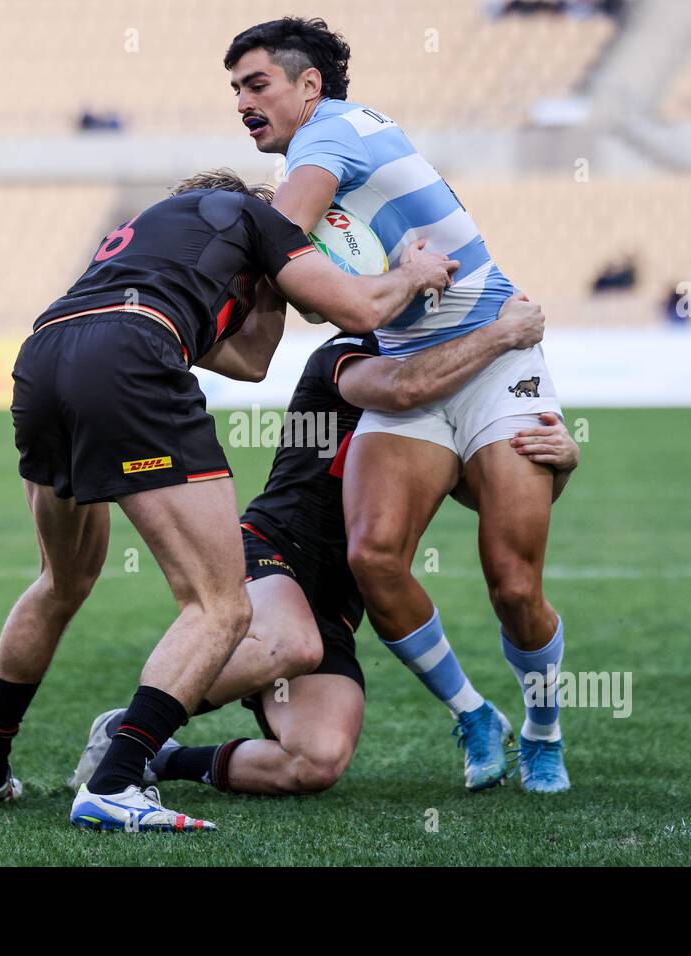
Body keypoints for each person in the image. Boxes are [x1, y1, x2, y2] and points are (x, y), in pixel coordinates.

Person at [0, 169, 458, 832]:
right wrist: (413, 272)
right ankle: (117, 781)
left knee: (60, 581)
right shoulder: (255, 217)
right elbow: (358, 311)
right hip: (132, 357)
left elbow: (249, 362)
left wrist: (275, 283)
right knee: (220, 604)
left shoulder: (168, 235)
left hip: (45, 354)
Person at [226, 17, 574, 792]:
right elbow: (337, 306)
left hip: (493, 354)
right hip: (411, 362)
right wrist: (399, 280)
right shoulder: (341, 147)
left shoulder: (327, 138)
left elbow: (276, 239)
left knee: (514, 582)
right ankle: (474, 714)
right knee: (374, 555)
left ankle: (544, 730)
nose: (243, 103)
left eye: (257, 85)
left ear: (307, 86)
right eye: (236, 91)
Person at [68, 297, 580, 796]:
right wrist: (501, 334)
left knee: (316, 762)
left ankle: (164, 758)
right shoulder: (349, 353)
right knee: (290, 644)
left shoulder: (458, 391)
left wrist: (557, 463)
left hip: (334, 608)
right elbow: (404, 387)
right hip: (273, 552)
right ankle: (128, 738)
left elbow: (485, 491)